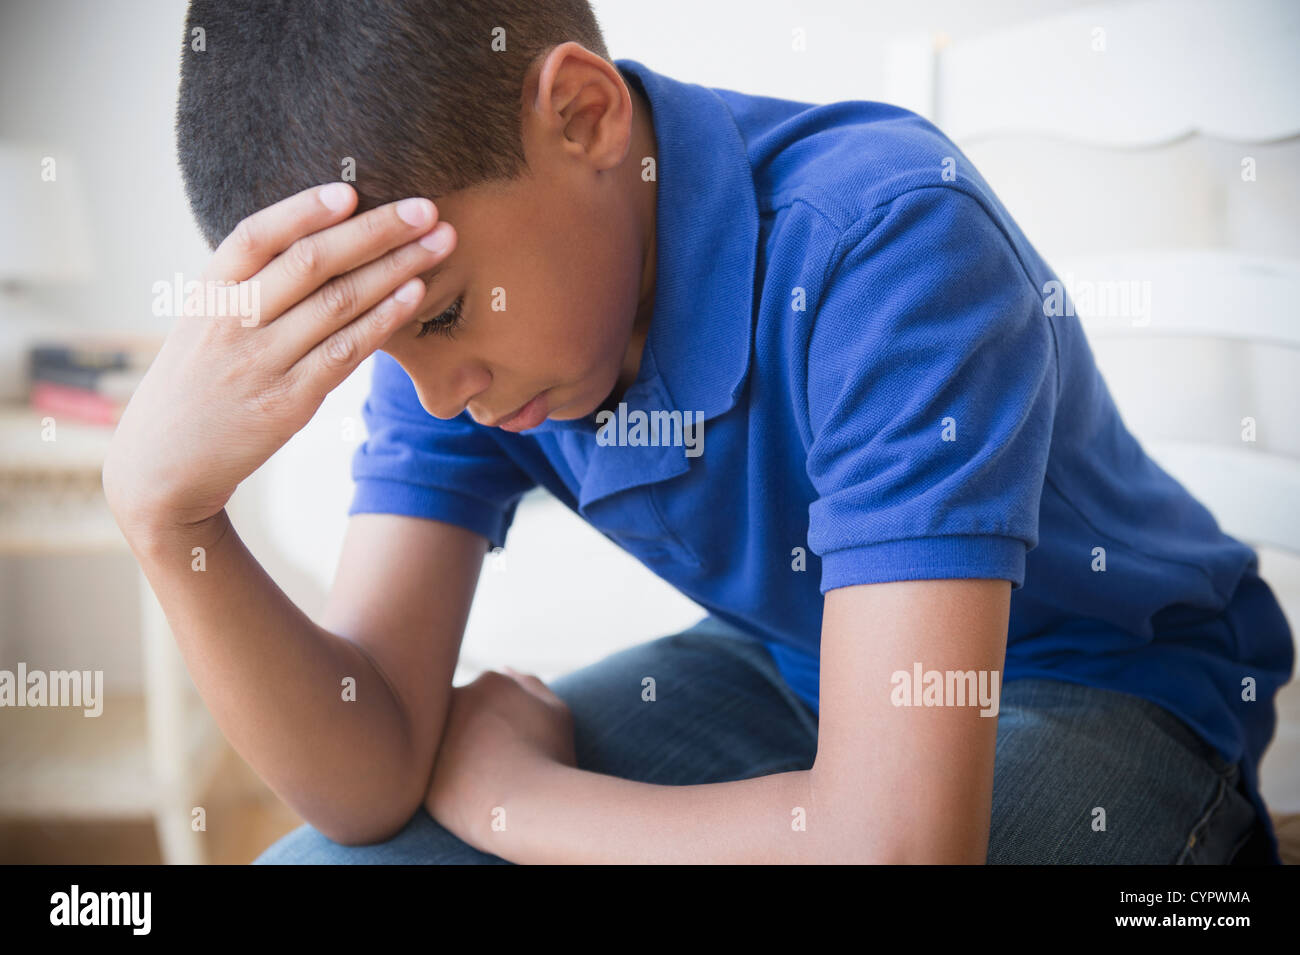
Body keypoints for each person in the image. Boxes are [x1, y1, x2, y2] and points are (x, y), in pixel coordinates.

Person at [104, 0, 1294, 863]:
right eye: (384, 349)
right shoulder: (463, 346)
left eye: (442, 320)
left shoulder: (886, 246)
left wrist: (511, 795)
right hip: (800, 669)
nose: (429, 393)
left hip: (1111, 701)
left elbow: (890, 850)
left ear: (582, 115)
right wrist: (168, 516)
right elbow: (366, 780)